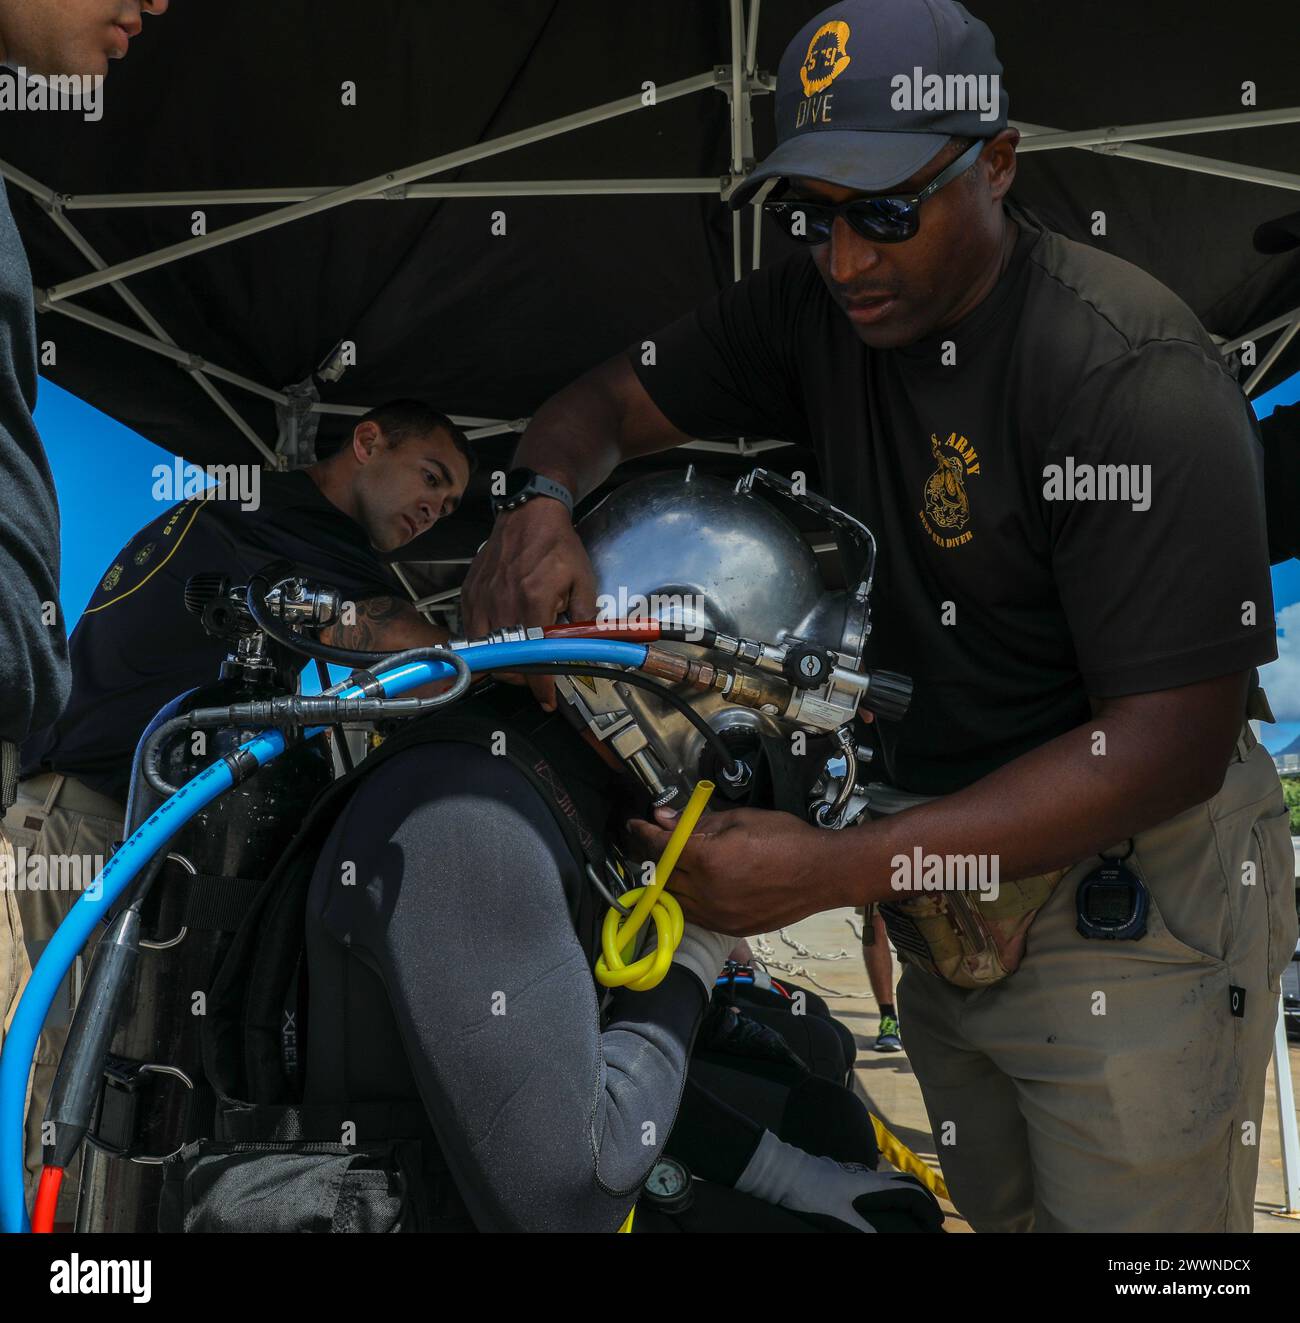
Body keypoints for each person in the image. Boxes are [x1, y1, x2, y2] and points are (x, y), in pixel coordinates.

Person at [462, 0, 1298, 1232]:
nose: (846, 258)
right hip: (941, 880)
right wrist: (534, 503)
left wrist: (834, 870)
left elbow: (1170, 740)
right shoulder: (811, 310)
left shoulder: (1129, 377)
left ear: (998, 162)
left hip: (1128, 894)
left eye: (887, 213)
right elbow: (601, 402)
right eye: (812, 215)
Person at [6, 398, 469, 1221]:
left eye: (449, 504)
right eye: (430, 477)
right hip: (83, 818)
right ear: (366, 442)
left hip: (100, 818)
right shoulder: (293, 524)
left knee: (84, 1080)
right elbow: (415, 652)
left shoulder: (249, 512)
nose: (434, 509)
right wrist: (509, 649)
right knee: (63, 1089)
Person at [0, 0, 171, 1221]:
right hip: (64, 807)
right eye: (431, 476)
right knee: (50, 1074)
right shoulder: (255, 530)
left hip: (62, 780)